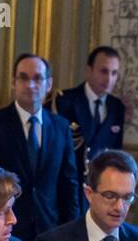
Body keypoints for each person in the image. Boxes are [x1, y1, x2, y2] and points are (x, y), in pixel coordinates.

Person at [0, 53, 81, 241]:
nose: (30, 85)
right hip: (5, 230)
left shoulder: (61, 127)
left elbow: (69, 182)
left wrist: (72, 230)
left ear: (48, 84)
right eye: (23, 77)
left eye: (38, 78)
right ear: (14, 82)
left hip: (51, 230)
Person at [54, 46, 126, 176]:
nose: (109, 79)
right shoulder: (65, 101)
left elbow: (115, 152)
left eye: (114, 73)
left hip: (101, 184)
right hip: (70, 181)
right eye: (103, 71)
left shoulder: (117, 107)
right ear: (89, 71)